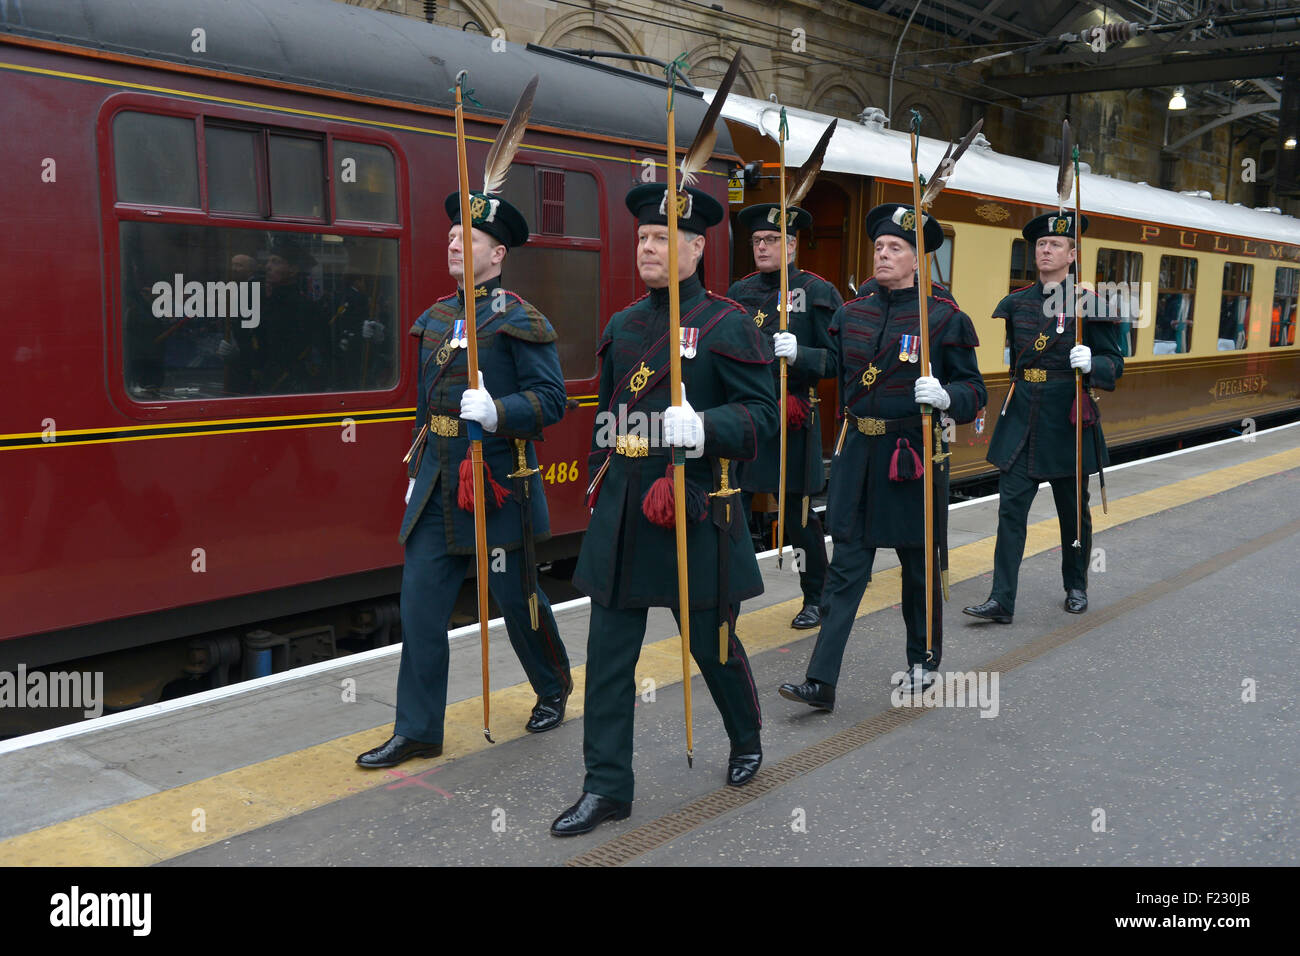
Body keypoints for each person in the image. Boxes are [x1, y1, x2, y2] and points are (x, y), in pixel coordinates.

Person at [550, 183, 778, 836]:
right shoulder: (623, 327)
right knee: (609, 659)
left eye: (662, 238)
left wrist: (702, 426)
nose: (648, 248)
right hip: (625, 510)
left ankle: (745, 736)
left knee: (711, 646)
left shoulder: (727, 323)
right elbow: (605, 419)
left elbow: (760, 417)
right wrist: (601, 481)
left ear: (696, 246)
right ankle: (606, 788)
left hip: (691, 507)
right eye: (643, 239)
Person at [356, 188, 572, 769]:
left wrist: (499, 412)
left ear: (497, 253)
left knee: (515, 595)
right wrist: (416, 464)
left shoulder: (519, 321)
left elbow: (553, 401)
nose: (453, 243)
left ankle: (553, 686)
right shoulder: (438, 318)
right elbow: (425, 407)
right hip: (438, 482)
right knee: (420, 606)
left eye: (467, 238)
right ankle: (419, 729)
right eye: (451, 236)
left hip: (498, 481)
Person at [778, 202, 986, 711]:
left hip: (911, 457)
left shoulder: (943, 317)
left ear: (918, 259)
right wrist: (794, 352)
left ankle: (923, 658)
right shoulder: (851, 314)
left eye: (896, 248)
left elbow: (974, 390)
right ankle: (821, 682)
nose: (884, 255)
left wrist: (947, 398)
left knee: (918, 567)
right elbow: (832, 367)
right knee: (846, 570)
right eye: (879, 247)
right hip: (859, 456)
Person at [963, 211, 1124, 624]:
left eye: (1054, 244)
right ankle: (1001, 600)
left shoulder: (1092, 306)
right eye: (1040, 245)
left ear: (1073, 254)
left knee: (1073, 515)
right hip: (1022, 418)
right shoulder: (1016, 304)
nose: (1045, 250)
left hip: (1068, 421)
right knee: (1010, 513)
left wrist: (1093, 364)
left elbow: (1115, 365)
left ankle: (1076, 585)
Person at [726, 202, 842, 629]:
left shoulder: (817, 292)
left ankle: (814, 594)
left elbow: (837, 362)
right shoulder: (740, 293)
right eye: (757, 240)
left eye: (772, 240)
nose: (762, 246)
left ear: (791, 245)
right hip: (746, 413)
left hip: (793, 414)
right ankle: (730, 594)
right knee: (732, 505)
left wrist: (802, 354)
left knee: (797, 514)